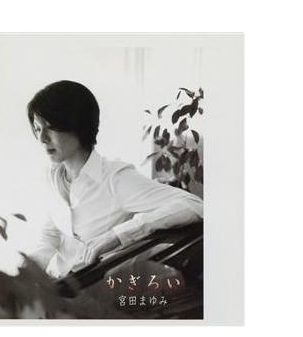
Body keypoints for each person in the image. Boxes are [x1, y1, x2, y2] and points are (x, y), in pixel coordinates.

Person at [27, 80, 203, 279]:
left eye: (50, 127)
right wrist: (22, 273)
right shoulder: (52, 176)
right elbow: (51, 236)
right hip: (55, 285)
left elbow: (194, 205)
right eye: (37, 129)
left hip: (91, 288)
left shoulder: (115, 178)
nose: (42, 138)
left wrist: (116, 236)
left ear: (78, 125)